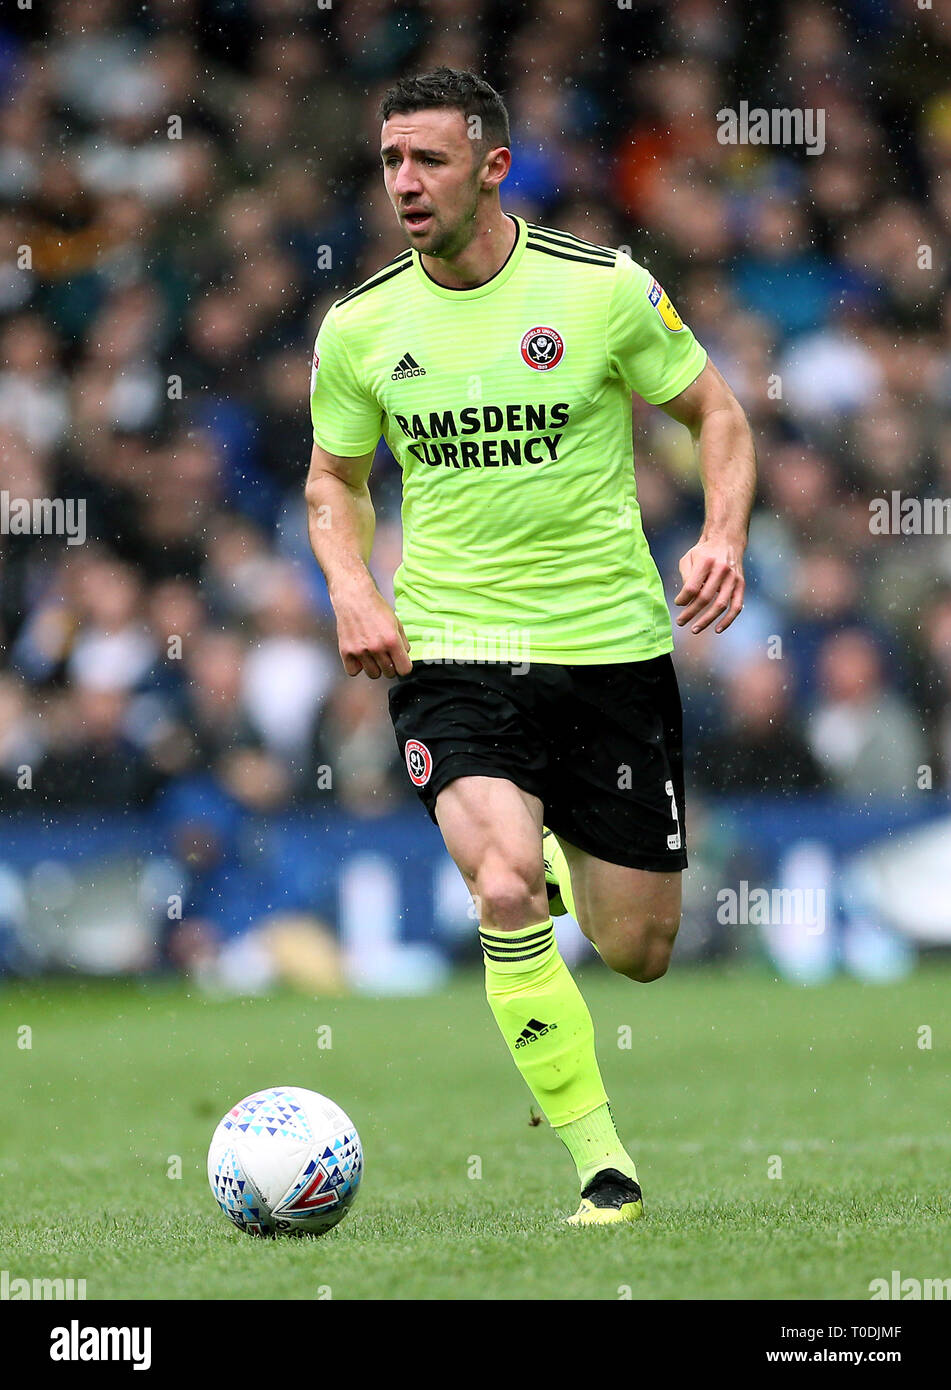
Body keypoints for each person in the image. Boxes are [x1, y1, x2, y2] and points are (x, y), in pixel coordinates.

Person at [305, 68, 755, 1225]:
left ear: (492, 167)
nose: (404, 182)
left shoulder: (602, 291)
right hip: (450, 648)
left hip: (609, 646)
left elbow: (719, 416)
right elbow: (334, 484)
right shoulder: (360, 325)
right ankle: (604, 1165)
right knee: (500, 883)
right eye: (391, 160)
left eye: (430, 161)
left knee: (639, 948)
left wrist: (720, 536)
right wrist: (354, 586)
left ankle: (564, 858)